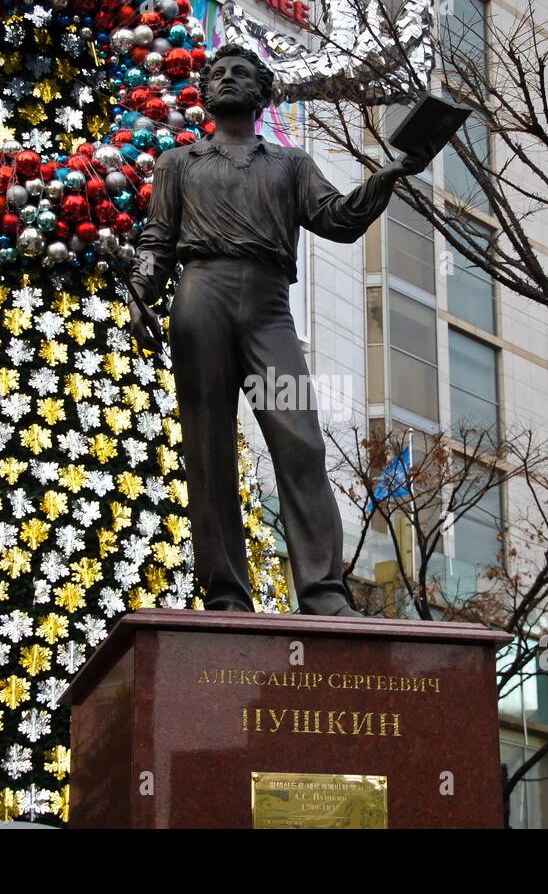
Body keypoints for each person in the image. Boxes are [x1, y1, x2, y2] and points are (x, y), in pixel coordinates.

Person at [126, 43, 429, 616]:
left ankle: (323, 592)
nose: (229, 79)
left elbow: (337, 220)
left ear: (263, 93)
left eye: (242, 73)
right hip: (201, 298)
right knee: (209, 446)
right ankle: (225, 593)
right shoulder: (179, 164)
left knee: (300, 440)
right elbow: (157, 243)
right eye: (218, 74)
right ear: (205, 93)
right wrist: (141, 291)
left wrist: (387, 175)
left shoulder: (290, 164)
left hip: (268, 307)